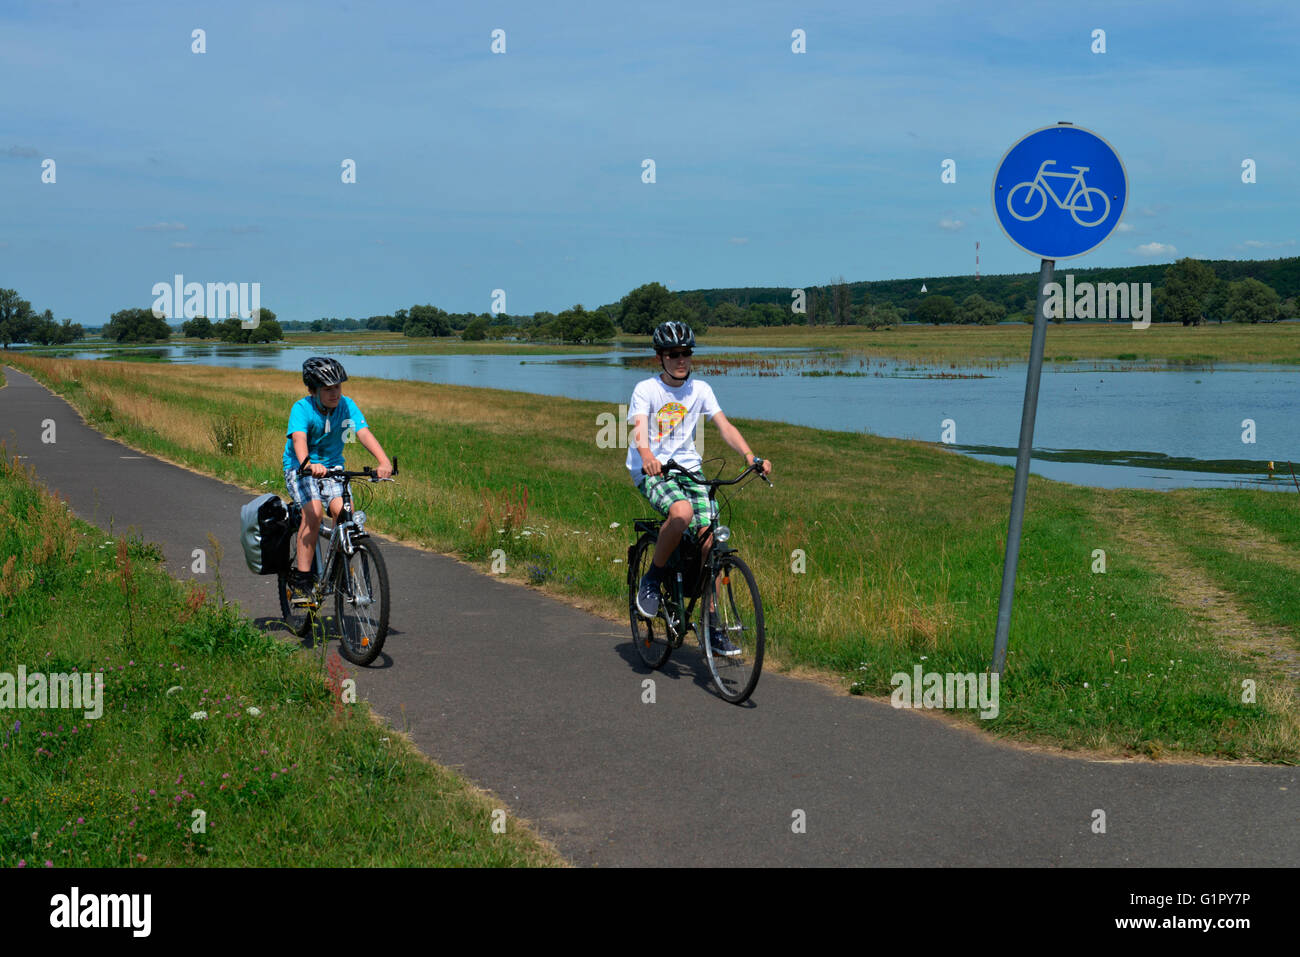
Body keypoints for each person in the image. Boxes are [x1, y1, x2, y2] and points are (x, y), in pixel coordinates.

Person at [625, 320, 773, 655]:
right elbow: (639, 430)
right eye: (673, 354)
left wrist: (751, 456)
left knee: (711, 541)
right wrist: (647, 456)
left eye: (686, 353)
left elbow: (724, 426)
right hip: (653, 471)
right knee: (681, 512)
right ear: (660, 358)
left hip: (689, 471)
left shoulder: (701, 390)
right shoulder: (646, 390)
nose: (681, 359)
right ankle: (652, 577)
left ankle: (712, 624)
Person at [282, 356, 392, 596]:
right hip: (300, 468)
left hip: (333, 470)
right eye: (328, 389)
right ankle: (302, 579)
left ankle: (339, 573)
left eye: (338, 387)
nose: (335, 393)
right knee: (314, 513)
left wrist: (383, 461)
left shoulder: (346, 405)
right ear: (313, 390)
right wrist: (307, 463)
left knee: (346, 514)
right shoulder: (302, 408)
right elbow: (299, 439)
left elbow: (363, 433)